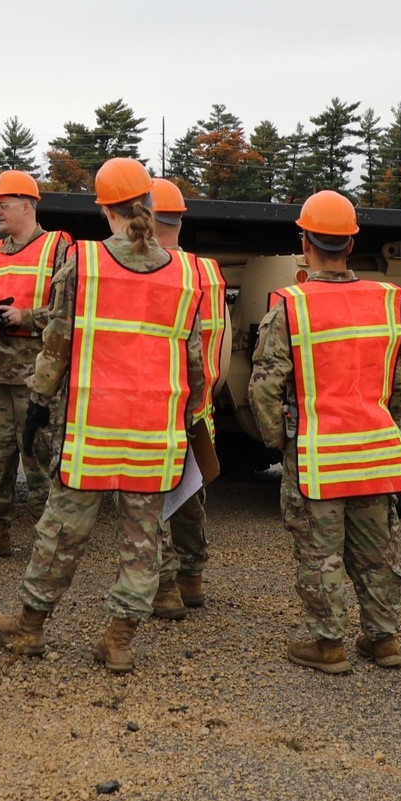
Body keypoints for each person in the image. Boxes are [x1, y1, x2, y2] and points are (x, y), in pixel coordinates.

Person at [0, 158, 208, 674]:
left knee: (61, 532)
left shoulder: (84, 264)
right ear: (149, 204)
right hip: (156, 434)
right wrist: (192, 417)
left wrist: (37, 405)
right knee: (142, 541)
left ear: (103, 207)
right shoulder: (185, 273)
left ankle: (29, 629)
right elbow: (194, 362)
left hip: (91, 431)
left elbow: (56, 347)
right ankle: (119, 641)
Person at [251, 191, 401, 673]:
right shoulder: (385, 301)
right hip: (376, 451)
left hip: (318, 457)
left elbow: (265, 387)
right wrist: (389, 429)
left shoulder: (291, 305)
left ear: (305, 242)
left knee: (320, 556)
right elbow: (398, 383)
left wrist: (276, 442)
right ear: (350, 244)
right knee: (376, 552)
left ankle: (328, 644)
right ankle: (383, 640)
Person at [0, 169, 67, 561]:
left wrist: (27, 317)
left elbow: (68, 308)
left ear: (27, 206)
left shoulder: (58, 249)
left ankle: (47, 542)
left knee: (39, 456)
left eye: (3, 206)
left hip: (40, 375)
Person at [148, 178, 224, 619]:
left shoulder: (151, 271)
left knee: (152, 499)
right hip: (196, 406)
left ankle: (164, 588)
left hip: (157, 403)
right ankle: (191, 578)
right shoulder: (207, 271)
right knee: (190, 492)